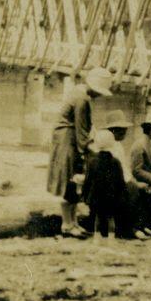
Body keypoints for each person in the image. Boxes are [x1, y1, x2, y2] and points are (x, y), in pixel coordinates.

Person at [47, 67, 112, 238]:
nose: (99, 96)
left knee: (74, 183)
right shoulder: (82, 99)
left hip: (68, 138)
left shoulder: (79, 92)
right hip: (67, 140)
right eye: (99, 92)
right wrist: (92, 150)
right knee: (70, 181)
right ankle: (67, 224)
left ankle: (73, 222)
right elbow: (82, 130)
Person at [82, 110, 144, 242]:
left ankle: (136, 226)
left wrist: (132, 180)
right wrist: (130, 182)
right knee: (131, 191)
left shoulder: (118, 146)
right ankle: (128, 229)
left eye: (124, 131)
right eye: (120, 131)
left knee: (136, 188)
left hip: (114, 182)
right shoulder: (103, 149)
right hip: (107, 185)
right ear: (112, 132)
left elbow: (124, 168)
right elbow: (115, 172)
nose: (124, 134)